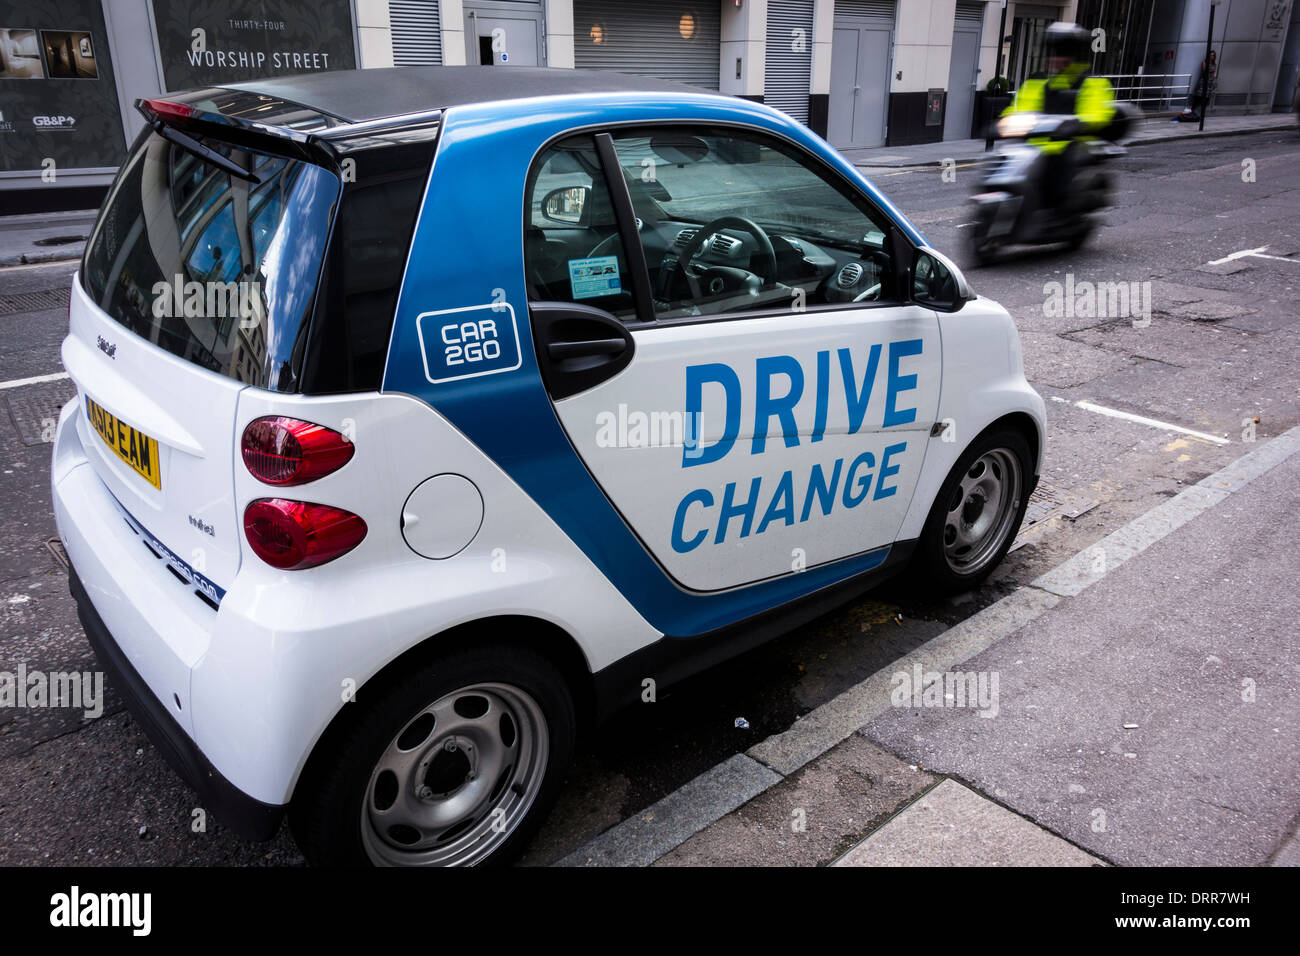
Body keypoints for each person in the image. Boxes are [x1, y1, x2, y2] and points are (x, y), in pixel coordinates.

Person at [1002, 22, 1117, 210]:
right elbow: (1018, 110)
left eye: (1063, 52)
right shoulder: (1036, 84)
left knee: (1057, 168)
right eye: (1053, 52)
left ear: (1076, 55)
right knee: (1003, 160)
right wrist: (1001, 123)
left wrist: (1079, 124)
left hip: (1072, 148)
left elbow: (1098, 114)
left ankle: (1059, 213)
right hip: (1033, 149)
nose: (1056, 58)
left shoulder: (1094, 85)